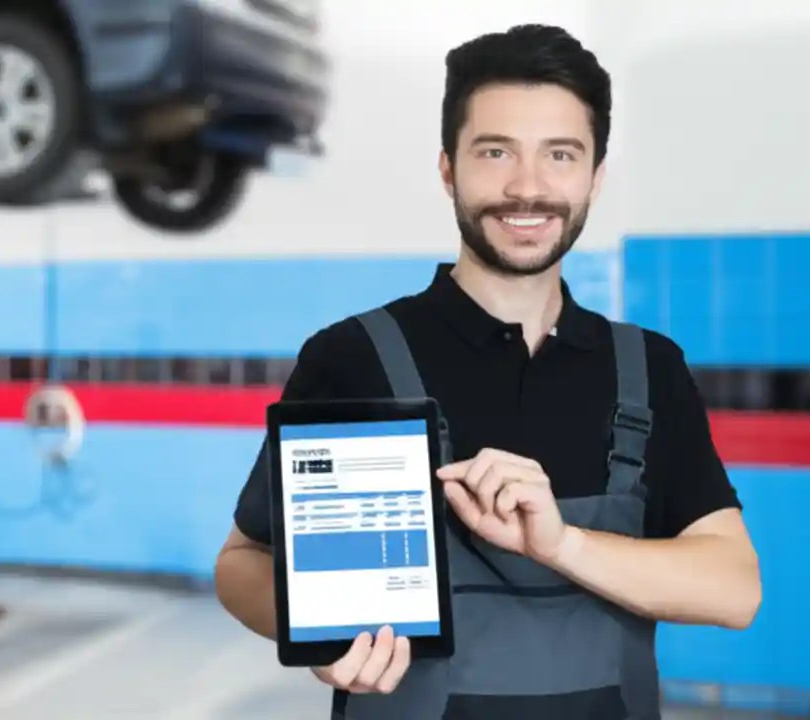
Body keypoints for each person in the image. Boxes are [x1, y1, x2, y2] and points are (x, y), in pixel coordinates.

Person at [212, 23, 762, 720]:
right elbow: (240, 563)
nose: (527, 188)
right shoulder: (351, 357)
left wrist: (559, 544)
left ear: (594, 176)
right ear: (448, 168)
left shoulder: (649, 369)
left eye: (559, 155)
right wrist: (316, 637)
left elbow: (734, 588)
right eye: (495, 151)